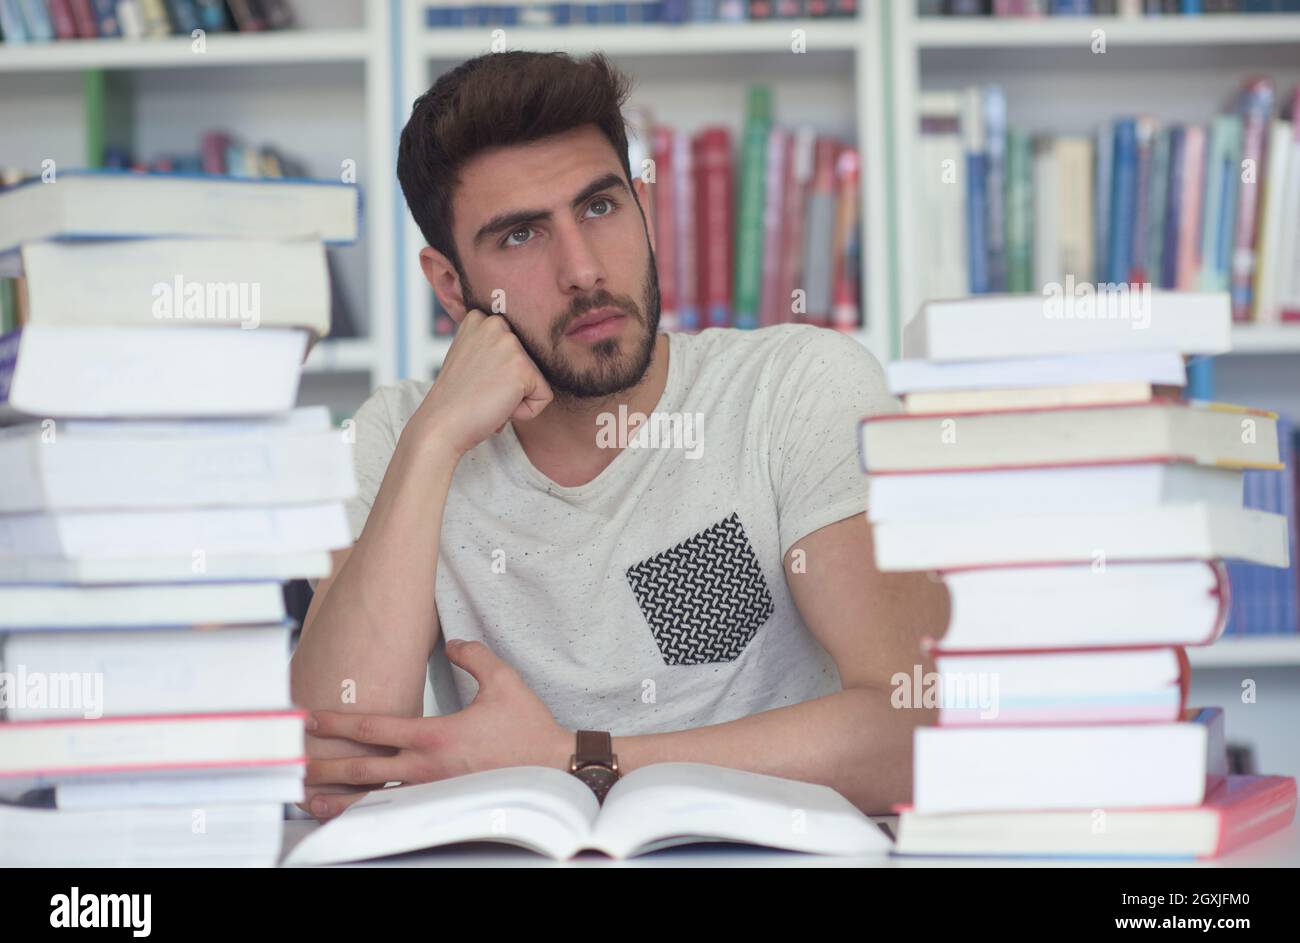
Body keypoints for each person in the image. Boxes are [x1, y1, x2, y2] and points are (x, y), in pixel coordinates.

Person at [290, 50, 949, 821]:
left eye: (599, 208)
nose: (583, 269)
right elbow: (336, 768)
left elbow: (918, 728)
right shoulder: (396, 438)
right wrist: (435, 438)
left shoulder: (798, 388)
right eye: (520, 237)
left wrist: (575, 760)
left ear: (643, 206)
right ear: (449, 284)